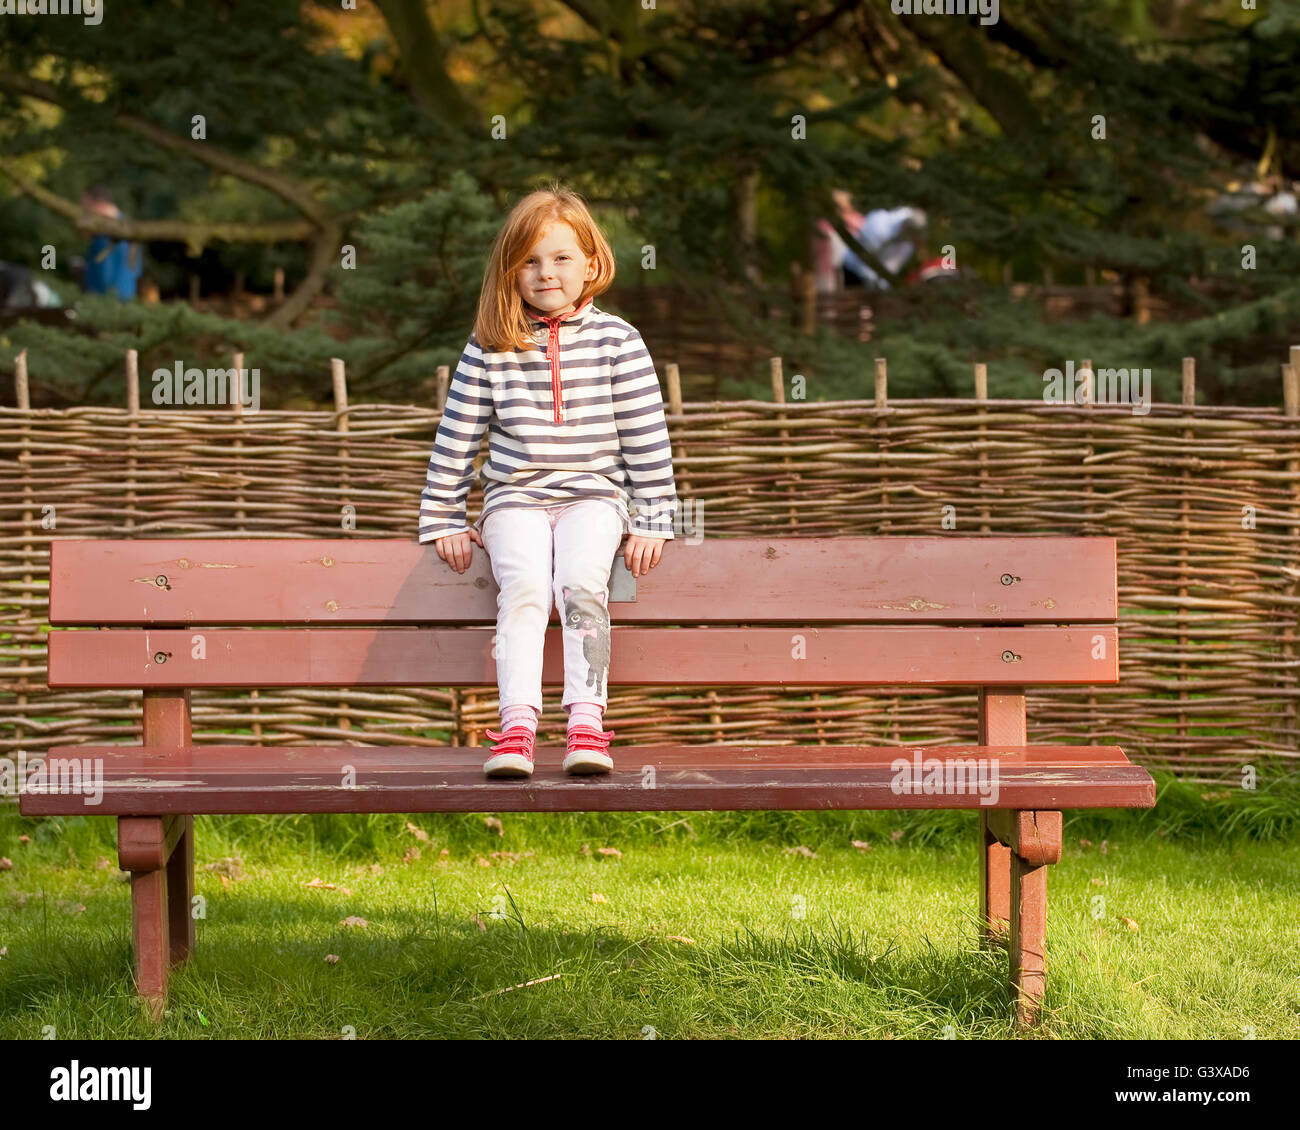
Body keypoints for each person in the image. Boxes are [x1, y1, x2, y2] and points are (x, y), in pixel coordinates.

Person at [418, 184, 678, 779]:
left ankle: (587, 722)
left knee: (582, 584)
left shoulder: (620, 341)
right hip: (515, 499)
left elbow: (646, 439)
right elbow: (456, 437)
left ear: (592, 262)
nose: (546, 273)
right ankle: (516, 728)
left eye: (561, 258)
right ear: (510, 270)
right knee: (526, 588)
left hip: (594, 497)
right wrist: (443, 518)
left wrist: (655, 518)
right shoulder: (490, 346)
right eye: (530, 261)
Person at [80, 186, 143, 300]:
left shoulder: (115, 232)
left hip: (111, 300)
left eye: (87, 208)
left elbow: (107, 272)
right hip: (117, 298)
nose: (85, 214)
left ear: (100, 205)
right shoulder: (128, 227)